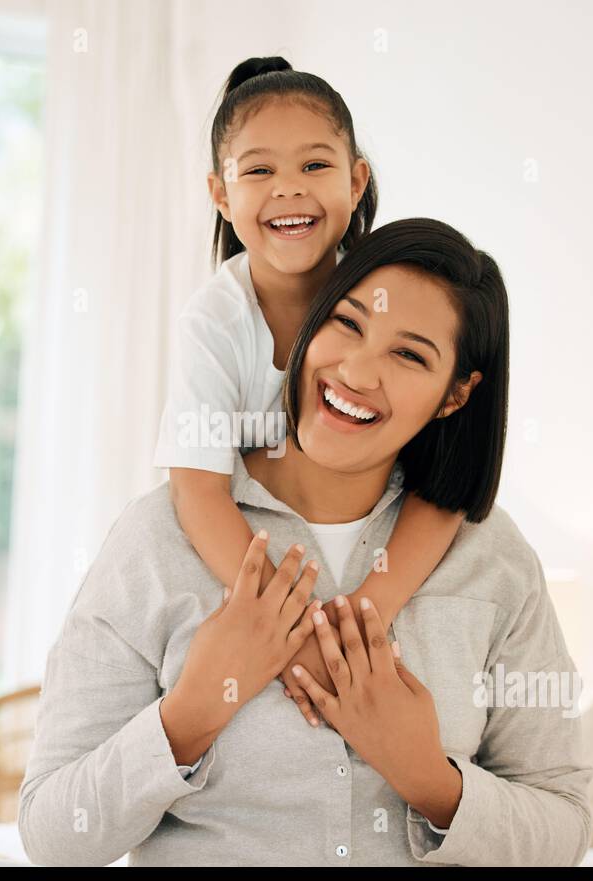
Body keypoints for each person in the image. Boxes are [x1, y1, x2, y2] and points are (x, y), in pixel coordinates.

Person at [20, 218, 592, 866]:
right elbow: (51, 833)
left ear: (456, 394)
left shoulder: (494, 564)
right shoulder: (158, 539)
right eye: (347, 323)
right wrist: (190, 714)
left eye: (409, 355)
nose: (356, 369)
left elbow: (563, 825)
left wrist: (429, 776)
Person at [154, 57, 465, 718]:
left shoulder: (389, 292)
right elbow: (197, 488)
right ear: (220, 194)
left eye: (315, 166)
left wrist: (358, 624)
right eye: (259, 170)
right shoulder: (214, 321)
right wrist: (293, 636)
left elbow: (445, 478)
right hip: (264, 565)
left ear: (356, 182)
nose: (289, 190)